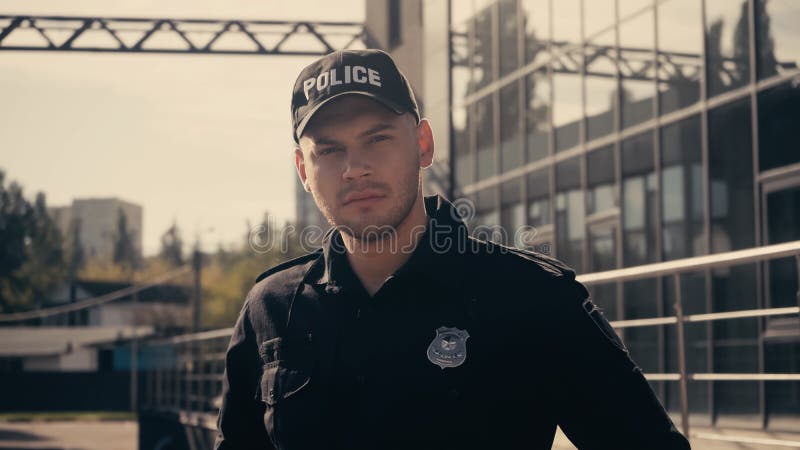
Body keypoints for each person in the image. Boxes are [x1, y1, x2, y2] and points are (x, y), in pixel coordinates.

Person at [214, 49, 691, 450]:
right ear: (303, 168)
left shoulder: (533, 299)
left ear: (423, 145)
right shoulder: (271, 309)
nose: (354, 168)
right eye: (329, 150)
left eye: (377, 139)